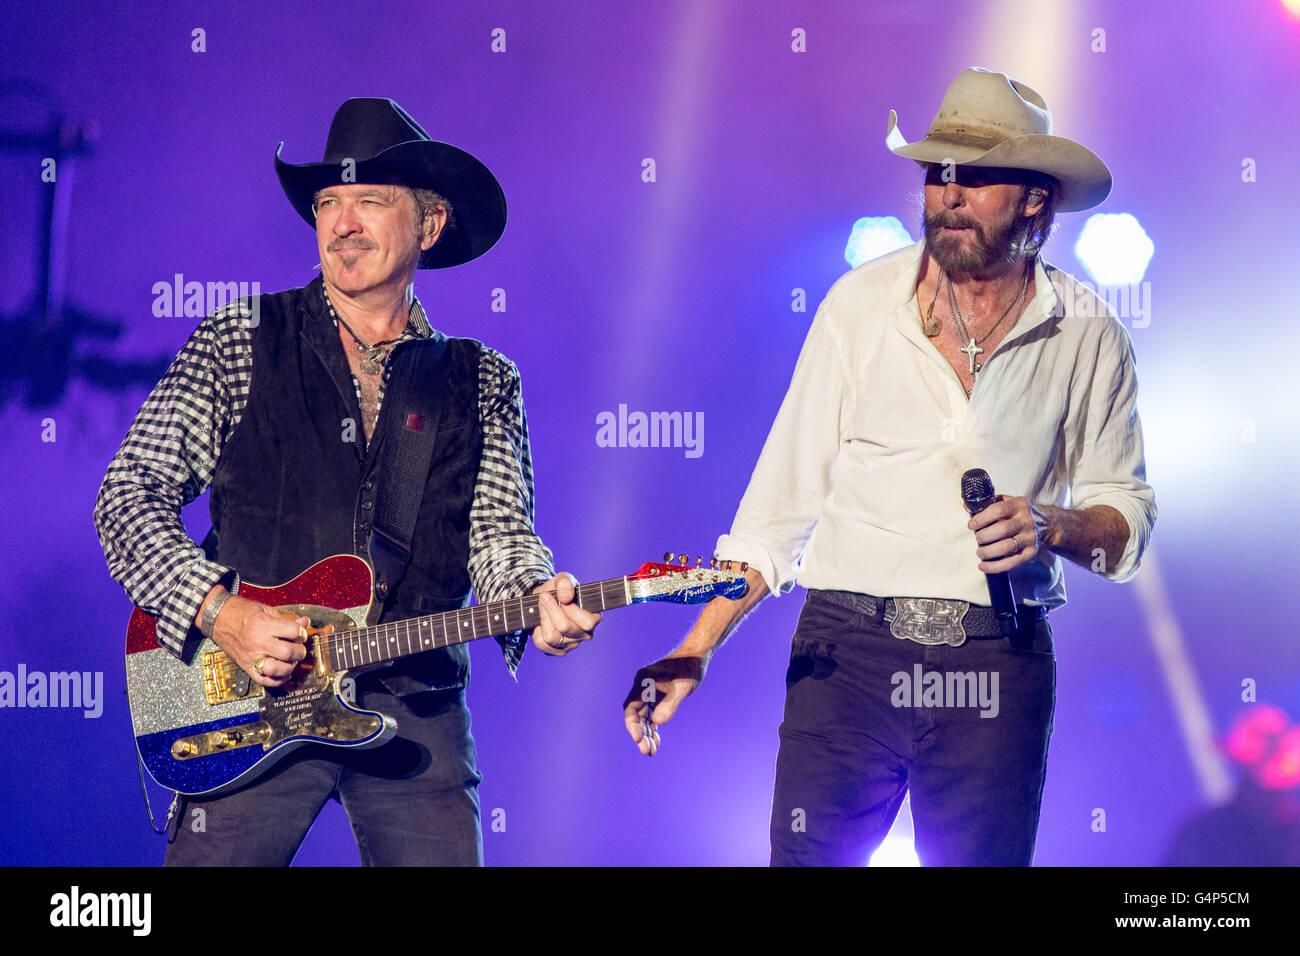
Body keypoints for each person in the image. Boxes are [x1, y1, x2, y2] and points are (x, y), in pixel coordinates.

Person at [623, 68, 1156, 866]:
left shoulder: (1088, 331)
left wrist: (1052, 524)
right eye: (937, 174)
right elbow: (776, 513)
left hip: (996, 658)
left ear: (1037, 198)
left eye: (976, 178)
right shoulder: (857, 305)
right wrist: (694, 649)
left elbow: (1127, 523)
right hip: (847, 656)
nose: (949, 195)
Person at [96, 97, 599, 866]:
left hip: (413, 702)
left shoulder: (481, 379)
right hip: (244, 695)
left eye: (369, 200)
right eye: (329, 202)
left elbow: (499, 538)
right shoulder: (241, 337)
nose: (342, 222)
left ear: (429, 226)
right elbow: (127, 497)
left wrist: (538, 600)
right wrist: (221, 612)